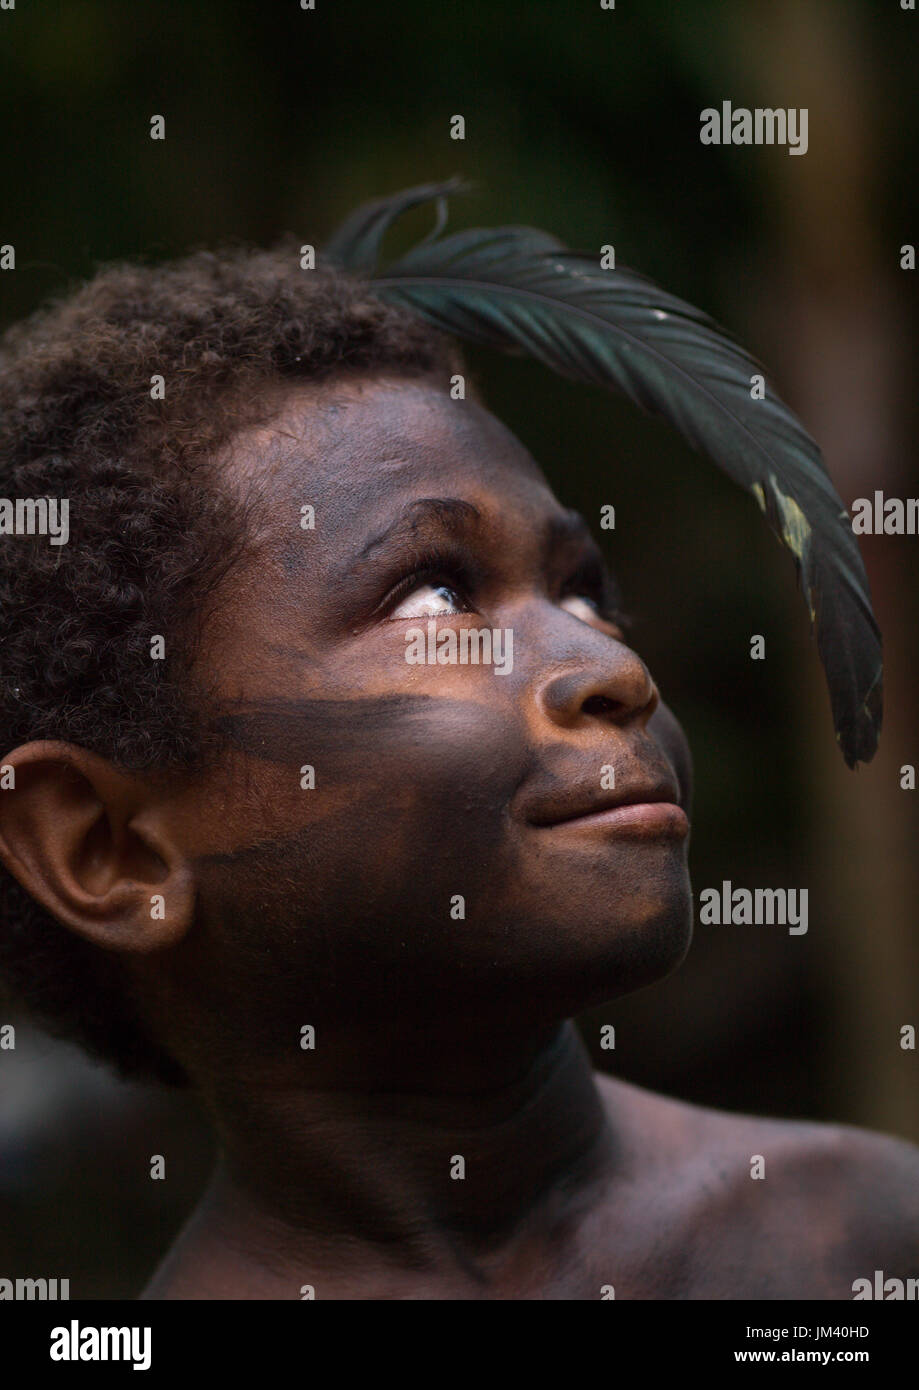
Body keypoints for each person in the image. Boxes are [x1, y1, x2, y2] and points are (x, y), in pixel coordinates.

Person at [0, 244, 915, 1299]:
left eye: (582, 590)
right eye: (435, 600)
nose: (613, 669)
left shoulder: (861, 1242)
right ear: (107, 848)